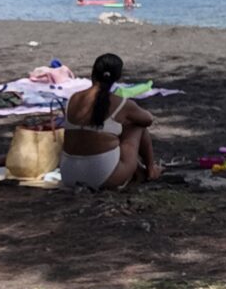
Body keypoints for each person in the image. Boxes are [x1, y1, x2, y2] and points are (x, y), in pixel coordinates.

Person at [61, 52, 159, 189]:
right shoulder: (120, 103)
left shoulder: (73, 98)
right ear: (117, 78)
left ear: (92, 73)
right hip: (101, 178)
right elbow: (147, 120)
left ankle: (141, 170)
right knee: (136, 126)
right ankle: (151, 169)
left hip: (68, 174)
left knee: (109, 132)